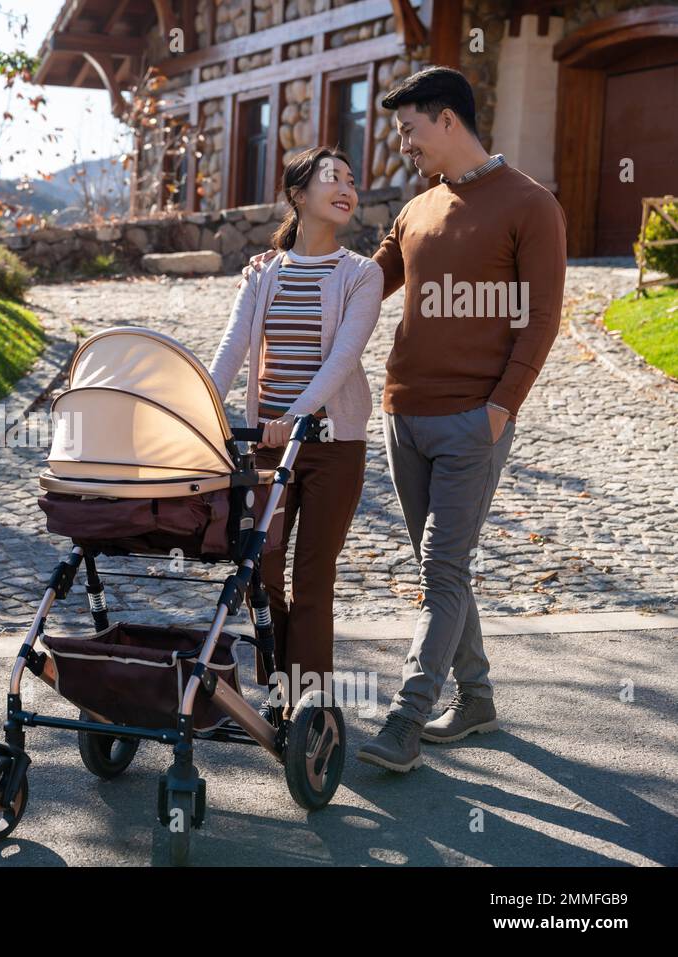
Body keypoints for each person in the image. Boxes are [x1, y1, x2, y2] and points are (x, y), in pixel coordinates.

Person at [244, 68, 568, 771]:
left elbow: (541, 318)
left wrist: (500, 407)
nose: (401, 144)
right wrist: (290, 261)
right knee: (443, 566)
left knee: (442, 566)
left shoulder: (530, 204)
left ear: (447, 119)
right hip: (402, 414)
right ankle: (476, 695)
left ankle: (406, 719)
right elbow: (362, 278)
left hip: (472, 420)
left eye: (408, 129)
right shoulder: (417, 209)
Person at [207, 146, 384, 727]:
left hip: (332, 446)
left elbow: (342, 358)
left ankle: (308, 704)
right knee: (263, 567)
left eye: (352, 180)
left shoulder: (362, 274)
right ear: (298, 195)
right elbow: (234, 347)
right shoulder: (263, 273)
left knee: (313, 574)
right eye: (331, 178)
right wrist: (197, 405)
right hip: (268, 446)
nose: (346, 188)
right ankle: (283, 687)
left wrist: (300, 415)